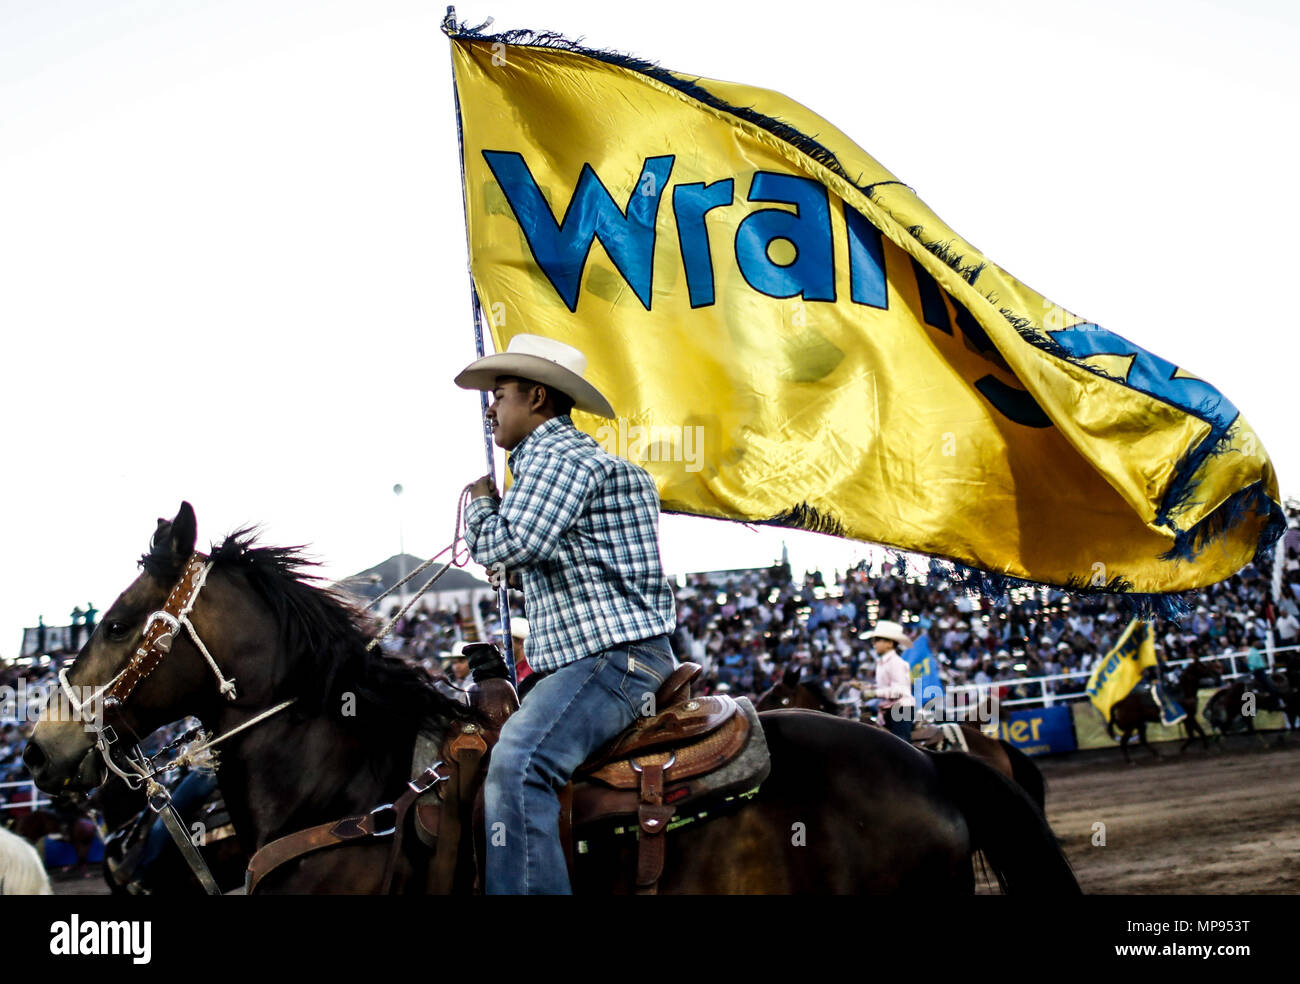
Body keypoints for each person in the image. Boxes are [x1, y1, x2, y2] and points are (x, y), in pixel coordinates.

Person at [455, 333, 678, 895]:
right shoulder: (554, 463)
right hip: (604, 660)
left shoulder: (557, 457)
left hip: (613, 660)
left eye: (499, 393)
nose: (490, 407)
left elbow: (509, 546)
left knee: (521, 763)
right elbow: (531, 556)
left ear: (535, 397)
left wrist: (479, 502)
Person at [860, 620, 916, 742]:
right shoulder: (882, 663)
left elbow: (900, 690)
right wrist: (867, 688)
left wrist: (873, 693)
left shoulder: (896, 663)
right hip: (889, 709)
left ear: (889, 643)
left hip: (901, 709)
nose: (874, 643)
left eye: (877, 640)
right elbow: (885, 687)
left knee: (901, 744)